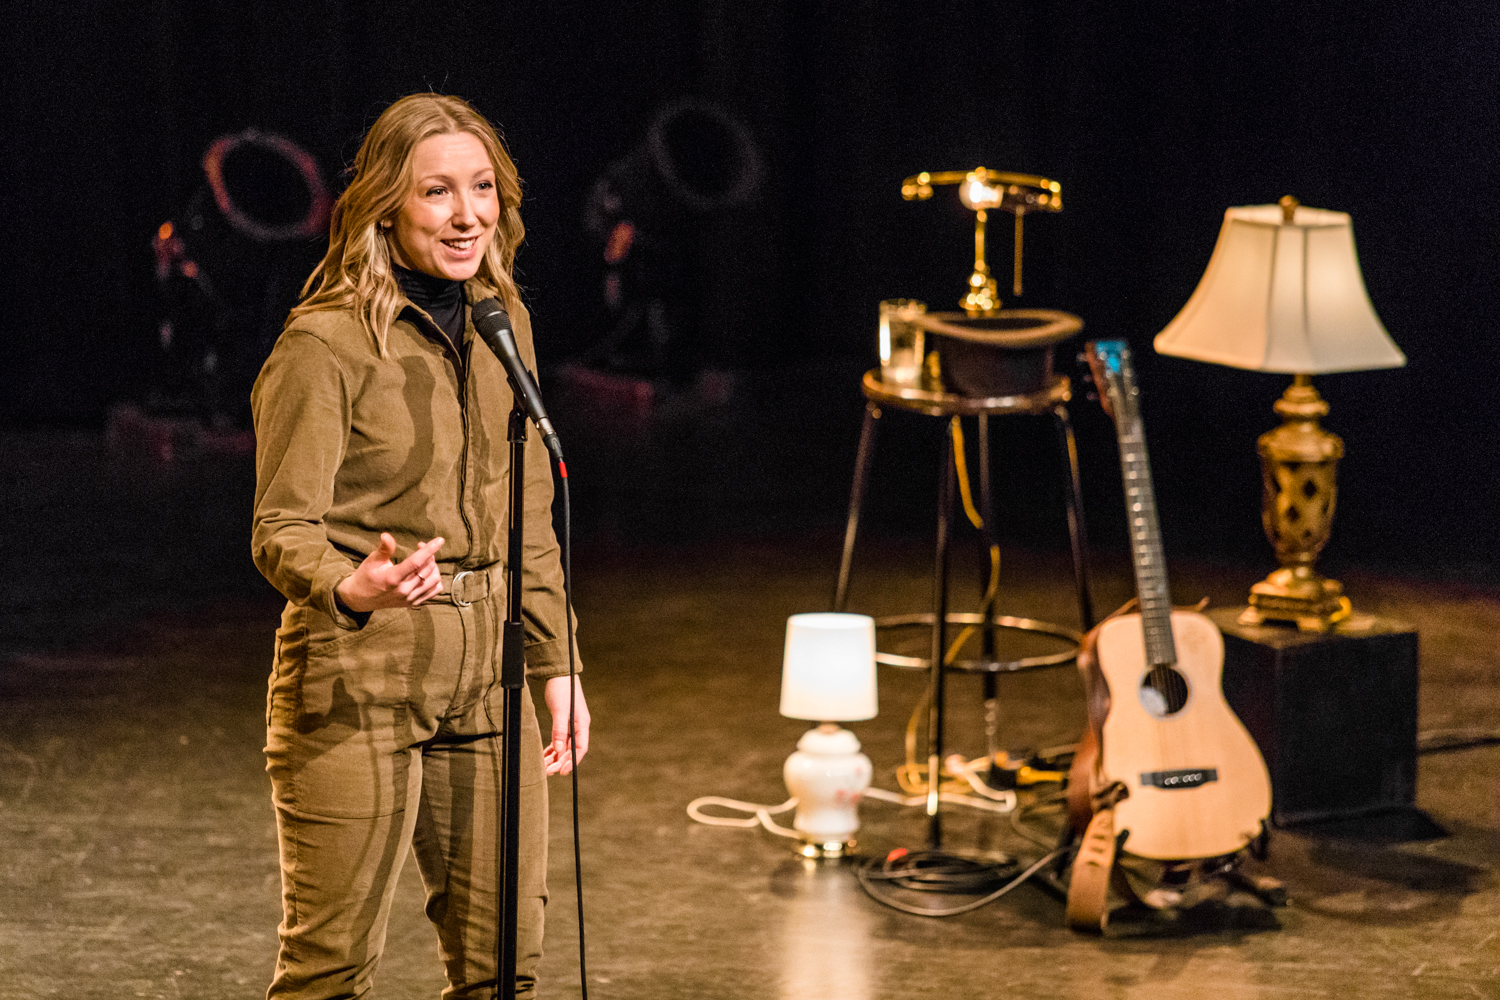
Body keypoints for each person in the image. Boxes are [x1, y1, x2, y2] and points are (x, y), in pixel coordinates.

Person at [251, 92, 589, 1000]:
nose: (467, 213)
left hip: (491, 674)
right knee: (329, 971)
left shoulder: (500, 325)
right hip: (360, 674)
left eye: (481, 188)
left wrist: (557, 661)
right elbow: (280, 530)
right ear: (387, 206)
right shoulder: (324, 345)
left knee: (504, 970)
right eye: (438, 192)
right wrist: (352, 587)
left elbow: (529, 517)